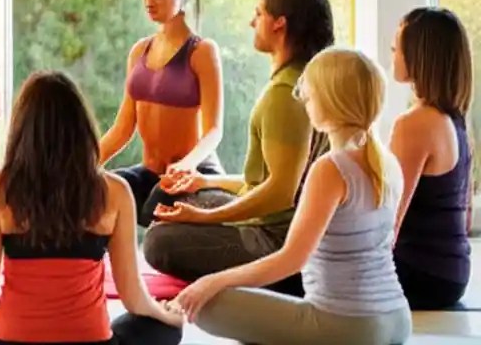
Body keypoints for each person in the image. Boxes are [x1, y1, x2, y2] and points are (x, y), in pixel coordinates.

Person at [0, 71, 183, 345]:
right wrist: (167, 316)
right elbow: (134, 298)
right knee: (163, 329)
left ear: (22, 130)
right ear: (82, 129)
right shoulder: (115, 191)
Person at [171, 48, 412, 345]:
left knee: (207, 304)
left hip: (349, 327)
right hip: (397, 319)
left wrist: (212, 281)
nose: (304, 100)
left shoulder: (331, 168)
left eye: (309, 93)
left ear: (331, 98)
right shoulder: (388, 164)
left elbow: (291, 260)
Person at [142, 0, 334, 293]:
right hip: (275, 223)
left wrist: (204, 218)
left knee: (158, 241)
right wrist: (205, 182)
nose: (251, 22)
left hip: (274, 242)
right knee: (175, 198)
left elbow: (280, 193)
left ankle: (271, 280)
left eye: (259, 14)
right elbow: (266, 181)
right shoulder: (305, 79)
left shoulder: (285, 94)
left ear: (279, 24)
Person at [99, 0, 224, 225]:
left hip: (191, 172)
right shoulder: (139, 51)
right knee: (96, 195)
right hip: (150, 172)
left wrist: (186, 165)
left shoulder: (202, 51)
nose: (149, 1)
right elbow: (122, 128)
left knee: (152, 209)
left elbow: (214, 130)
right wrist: (84, 164)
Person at [389, 7, 473, 309]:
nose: (392, 52)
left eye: (397, 46)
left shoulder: (415, 124)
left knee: (300, 279)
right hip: (452, 274)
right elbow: (465, 219)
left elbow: (389, 219)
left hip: (421, 274)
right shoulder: (456, 121)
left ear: (420, 55)